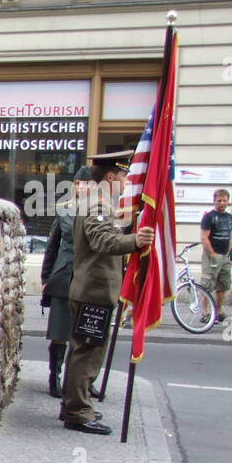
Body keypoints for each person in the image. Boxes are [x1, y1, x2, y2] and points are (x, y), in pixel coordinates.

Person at [61, 158, 155, 435]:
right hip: (94, 290)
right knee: (86, 353)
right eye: (124, 177)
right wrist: (135, 241)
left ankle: (74, 404)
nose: (127, 182)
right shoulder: (98, 204)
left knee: (82, 350)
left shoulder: (96, 201)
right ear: (112, 177)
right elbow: (103, 241)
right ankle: (77, 412)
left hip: (93, 288)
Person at [39, 167, 83, 397]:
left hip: (88, 281)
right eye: (80, 183)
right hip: (64, 278)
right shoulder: (64, 212)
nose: (83, 187)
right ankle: (54, 377)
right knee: (59, 331)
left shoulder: (104, 212)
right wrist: (46, 277)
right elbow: (53, 246)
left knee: (85, 333)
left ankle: (82, 381)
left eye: (88, 184)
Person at [199, 188, 232, 321]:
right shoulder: (209, 217)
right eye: (219, 200)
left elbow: (229, 236)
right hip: (212, 256)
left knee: (223, 285)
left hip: (225, 256)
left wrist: (230, 252)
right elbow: (204, 237)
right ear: (214, 201)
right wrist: (212, 254)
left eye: (224, 200)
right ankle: (205, 313)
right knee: (207, 285)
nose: (222, 203)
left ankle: (219, 311)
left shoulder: (230, 217)